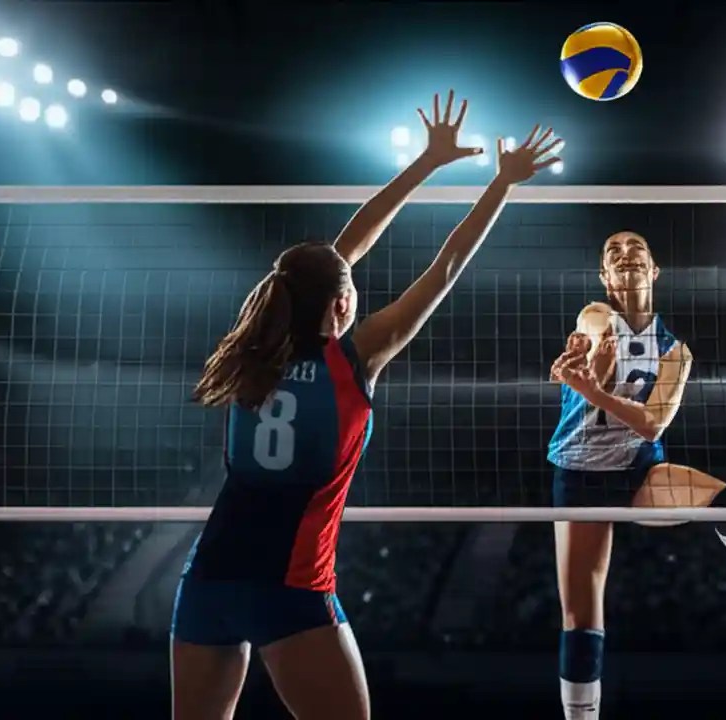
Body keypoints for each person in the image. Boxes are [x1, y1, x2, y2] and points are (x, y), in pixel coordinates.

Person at [170, 91, 562, 720]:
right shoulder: (354, 359)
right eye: (349, 287)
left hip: (206, 582)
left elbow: (332, 260)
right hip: (290, 587)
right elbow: (447, 264)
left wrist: (425, 164)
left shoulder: (253, 345)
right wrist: (500, 182)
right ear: (343, 304)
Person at [547, 230, 726, 719]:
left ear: (653, 271)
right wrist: (586, 361)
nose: (625, 255)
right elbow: (596, 333)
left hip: (636, 472)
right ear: (605, 277)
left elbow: (651, 424)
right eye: (613, 252)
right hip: (579, 475)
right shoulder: (595, 314)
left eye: (637, 250)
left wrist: (593, 390)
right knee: (581, 619)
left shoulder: (675, 354)